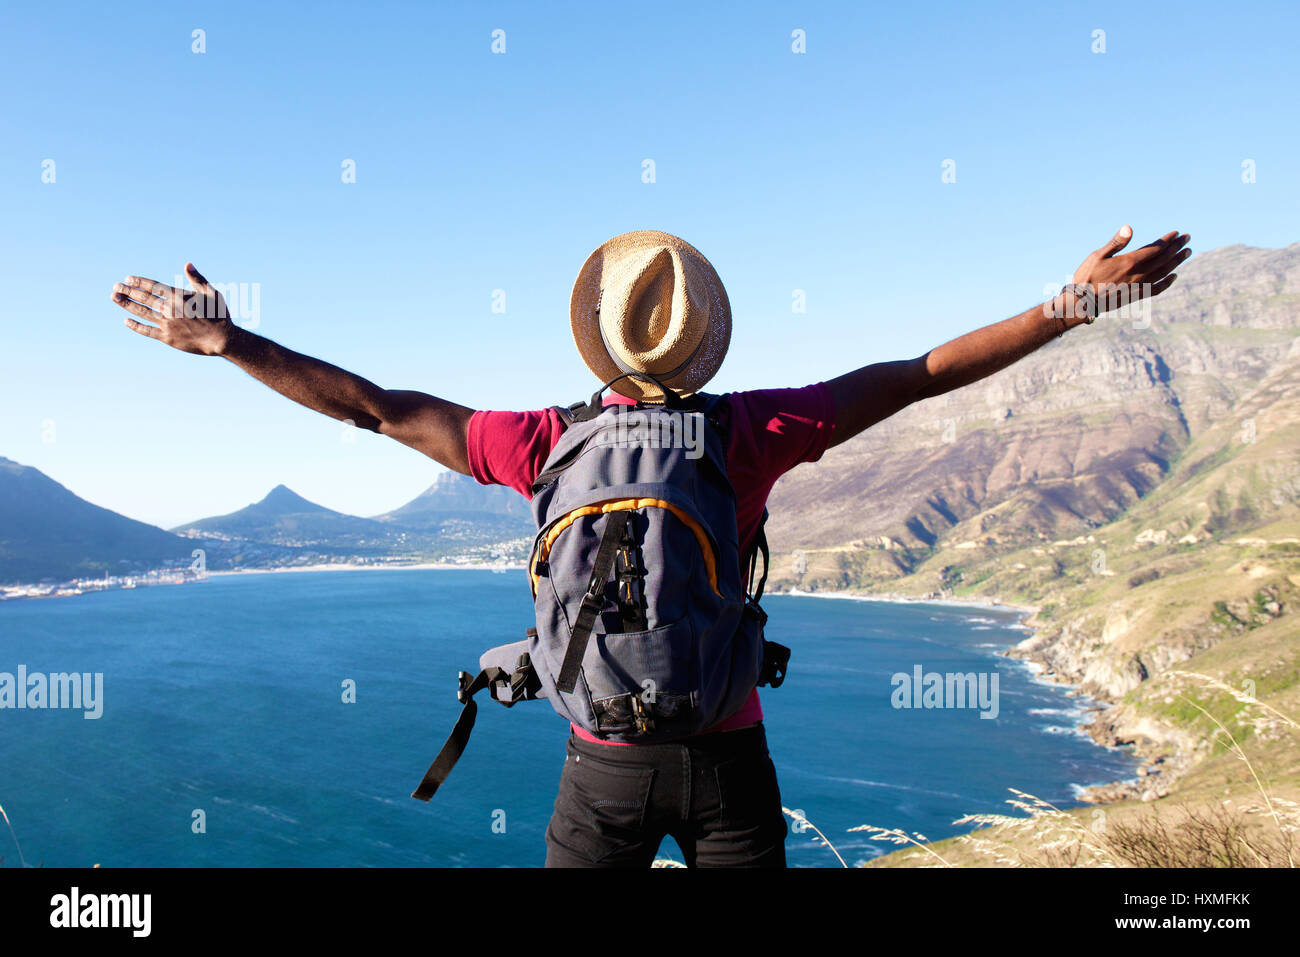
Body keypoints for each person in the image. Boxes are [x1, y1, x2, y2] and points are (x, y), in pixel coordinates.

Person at [111, 225, 1191, 867]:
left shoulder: (534, 443)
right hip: (730, 761)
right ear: (703, 338)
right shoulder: (751, 431)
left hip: (601, 772)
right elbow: (924, 372)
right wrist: (1074, 303)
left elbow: (373, 409)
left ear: (598, 339)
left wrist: (229, 338)